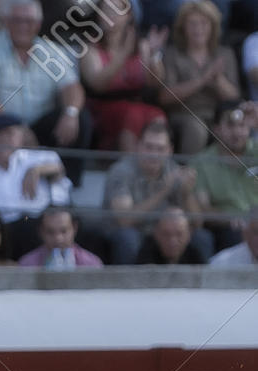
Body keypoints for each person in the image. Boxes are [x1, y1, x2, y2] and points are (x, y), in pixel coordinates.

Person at [0, 0, 93, 182]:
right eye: (17, 20)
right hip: (2, 123)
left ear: (38, 24)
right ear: (6, 21)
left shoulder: (50, 51)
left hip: (40, 126)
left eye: (29, 21)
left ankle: (66, 186)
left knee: (80, 119)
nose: (23, 26)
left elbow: (72, 87)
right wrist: (16, 127)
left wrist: (70, 113)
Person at [103, 118, 205, 264]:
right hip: (131, 234)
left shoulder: (175, 170)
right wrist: (164, 190)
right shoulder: (121, 172)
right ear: (138, 146)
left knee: (201, 237)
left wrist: (186, 193)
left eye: (160, 149)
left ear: (170, 151)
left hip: (163, 236)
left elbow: (197, 223)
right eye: (149, 147)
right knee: (127, 237)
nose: (153, 154)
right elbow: (125, 220)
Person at [0, 114, 70, 257]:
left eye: (9, 133)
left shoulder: (37, 158)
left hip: (37, 227)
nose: (3, 139)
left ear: (21, 135)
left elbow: (59, 168)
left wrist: (38, 170)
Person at [80, 0, 167, 152]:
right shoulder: (90, 47)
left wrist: (155, 55)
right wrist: (124, 54)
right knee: (132, 115)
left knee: (157, 116)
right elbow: (97, 84)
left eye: (116, 10)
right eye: (105, 10)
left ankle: (155, 169)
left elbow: (155, 83)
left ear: (128, 16)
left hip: (137, 105)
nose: (109, 15)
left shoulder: (141, 45)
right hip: (103, 108)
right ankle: (130, 169)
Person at [159, 0, 241, 155]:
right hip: (184, 115)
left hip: (217, 115)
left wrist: (218, 80)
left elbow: (234, 97)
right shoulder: (172, 54)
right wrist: (202, 80)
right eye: (192, 24)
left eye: (204, 23)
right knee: (196, 128)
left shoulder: (225, 54)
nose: (198, 29)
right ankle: (190, 175)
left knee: (237, 128)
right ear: (183, 27)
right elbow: (165, 97)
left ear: (213, 27)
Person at [193, 99, 258, 249]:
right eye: (230, 125)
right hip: (229, 229)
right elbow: (203, 207)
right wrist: (231, 218)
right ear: (216, 129)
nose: (237, 132)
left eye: (242, 125)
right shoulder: (202, 162)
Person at [17, 205, 104, 268]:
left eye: (64, 231)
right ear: (41, 231)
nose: (58, 238)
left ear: (75, 228)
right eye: (50, 232)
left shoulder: (92, 264)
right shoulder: (26, 265)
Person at [135, 206, 209, 262]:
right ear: (156, 233)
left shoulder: (195, 256)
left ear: (189, 233)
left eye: (179, 234)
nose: (173, 241)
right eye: (166, 234)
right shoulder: (145, 256)